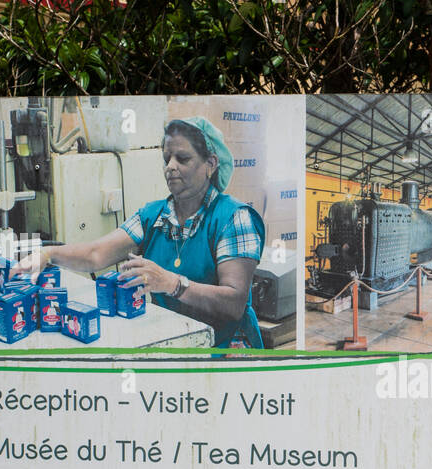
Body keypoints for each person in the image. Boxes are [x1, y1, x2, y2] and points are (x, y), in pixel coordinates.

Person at [15, 116, 264, 348]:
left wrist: (172, 284)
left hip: (223, 350)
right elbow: (95, 254)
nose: (170, 167)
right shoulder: (153, 216)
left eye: (183, 159)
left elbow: (234, 303)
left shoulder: (233, 218)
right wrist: (47, 254)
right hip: (178, 341)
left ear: (210, 164)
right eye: (167, 159)